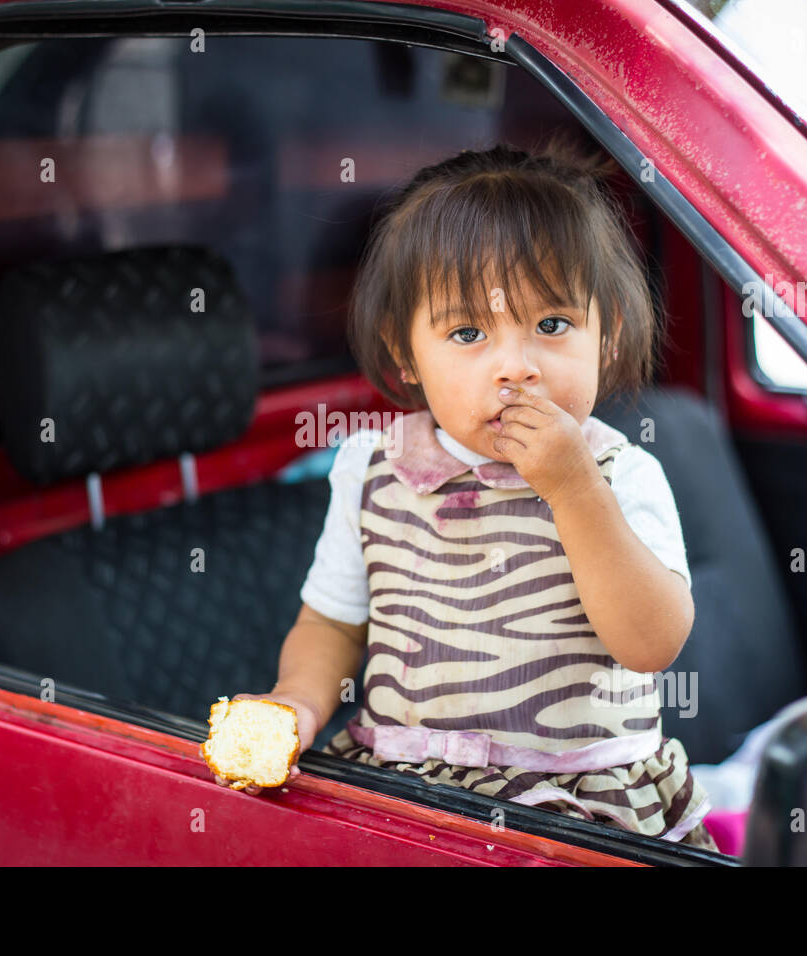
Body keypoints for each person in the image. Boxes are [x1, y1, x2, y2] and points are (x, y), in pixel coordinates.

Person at [219, 136, 718, 851]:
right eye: (466, 331)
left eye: (551, 325)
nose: (515, 368)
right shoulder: (372, 469)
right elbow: (332, 623)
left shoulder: (620, 475)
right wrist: (297, 701)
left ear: (605, 336)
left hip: (575, 808)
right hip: (411, 795)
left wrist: (572, 488)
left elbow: (650, 644)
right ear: (404, 352)